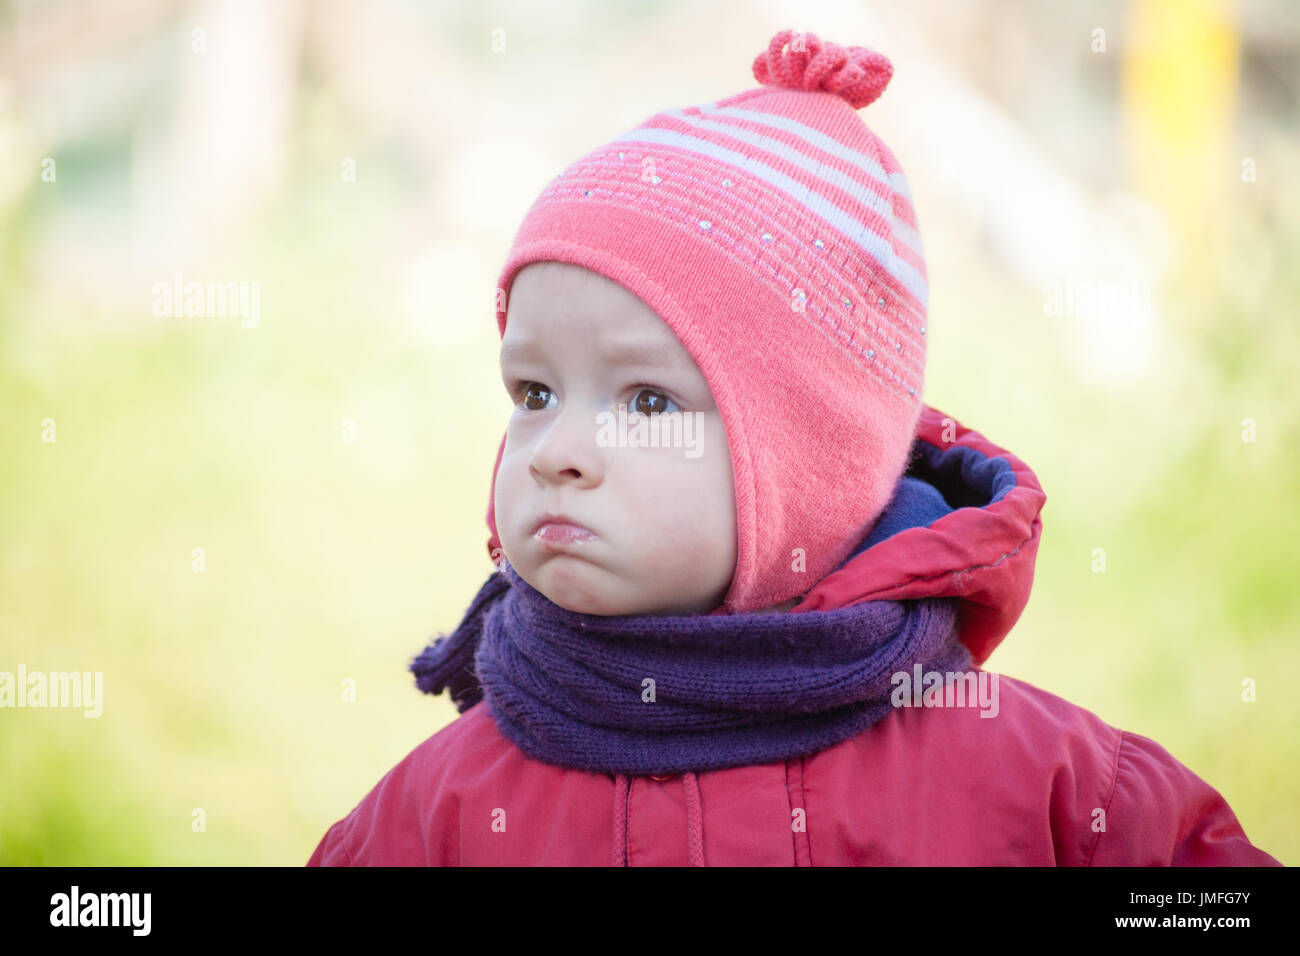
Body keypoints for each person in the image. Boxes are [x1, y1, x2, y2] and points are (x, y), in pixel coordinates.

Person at [306, 29, 1280, 866]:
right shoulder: (442, 810)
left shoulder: (1039, 780)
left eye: (647, 399)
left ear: (809, 464)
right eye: (536, 391)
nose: (559, 447)